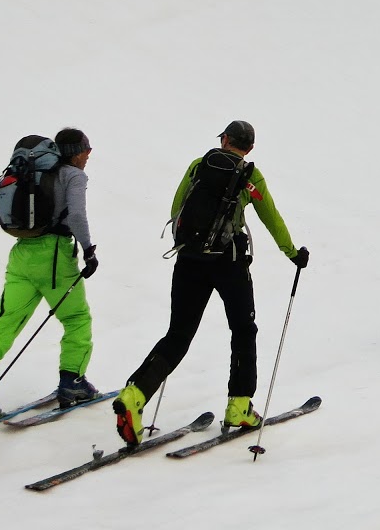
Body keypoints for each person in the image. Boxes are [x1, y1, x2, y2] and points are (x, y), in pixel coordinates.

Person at [112, 120, 308, 444]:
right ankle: (240, 406)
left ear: (225, 139)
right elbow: (270, 216)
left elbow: (177, 209)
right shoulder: (250, 178)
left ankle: (134, 397)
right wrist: (291, 253)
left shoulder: (198, 166)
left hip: (189, 260)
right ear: (250, 148)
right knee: (244, 330)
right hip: (229, 261)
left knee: (178, 335)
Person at [0, 128, 100, 419]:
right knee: (76, 318)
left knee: (7, 320)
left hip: (22, 253)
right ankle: (72, 382)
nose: (89, 154)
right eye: (86, 149)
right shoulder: (73, 175)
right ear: (74, 152)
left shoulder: (36, 175)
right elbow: (75, 215)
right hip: (54, 258)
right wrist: (88, 250)